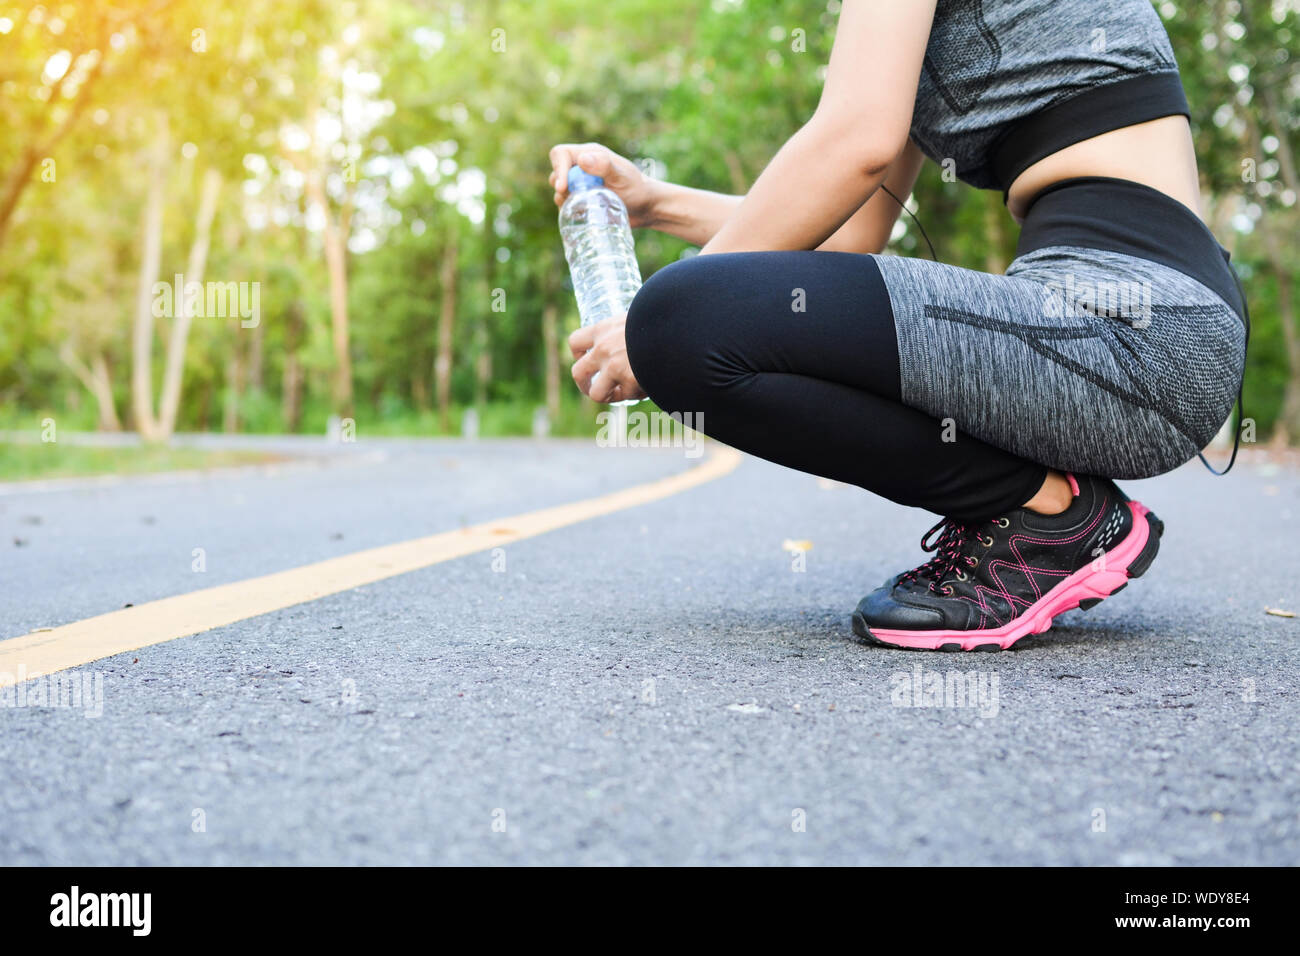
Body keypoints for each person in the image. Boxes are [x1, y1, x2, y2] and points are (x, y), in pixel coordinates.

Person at [547, 0, 1247, 651]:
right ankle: (1046, 510)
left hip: (1137, 324)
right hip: (1114, 324)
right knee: (687, 316)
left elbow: (855, 145)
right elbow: (854, 224)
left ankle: (1050, 517)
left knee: (677, 321)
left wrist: (652, 325)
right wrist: (657, 202)